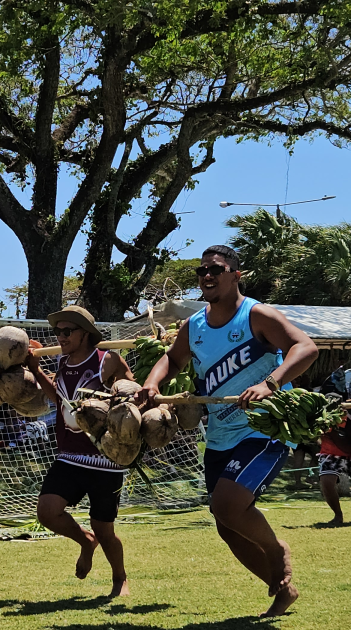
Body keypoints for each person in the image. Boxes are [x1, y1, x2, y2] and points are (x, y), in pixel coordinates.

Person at [137, 245, 316, 617]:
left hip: (265, 428)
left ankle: (277, 550)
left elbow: (306, 347)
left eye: (216, 269)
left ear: (236, 274)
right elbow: (171, 359)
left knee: (226, 505)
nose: (206, 276)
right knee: (227, 526)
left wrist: (271, 383)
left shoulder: (256, 315)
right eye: (201, 270)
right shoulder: (195, 326)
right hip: (219, 436)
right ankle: (282, 589)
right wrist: (153, 384)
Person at [26, 304, 136, 598]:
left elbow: (133, 393)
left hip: (104, 461)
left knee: (105, 530)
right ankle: (85, 542)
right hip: (69, 456)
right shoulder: (62, 362)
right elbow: (58, 398)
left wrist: (120, 398)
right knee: (47, 512)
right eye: (57, 331)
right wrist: (36, 369)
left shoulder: (107, 360)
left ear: (85, 333)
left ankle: (119, 578)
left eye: (66, 331)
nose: (60, 337)